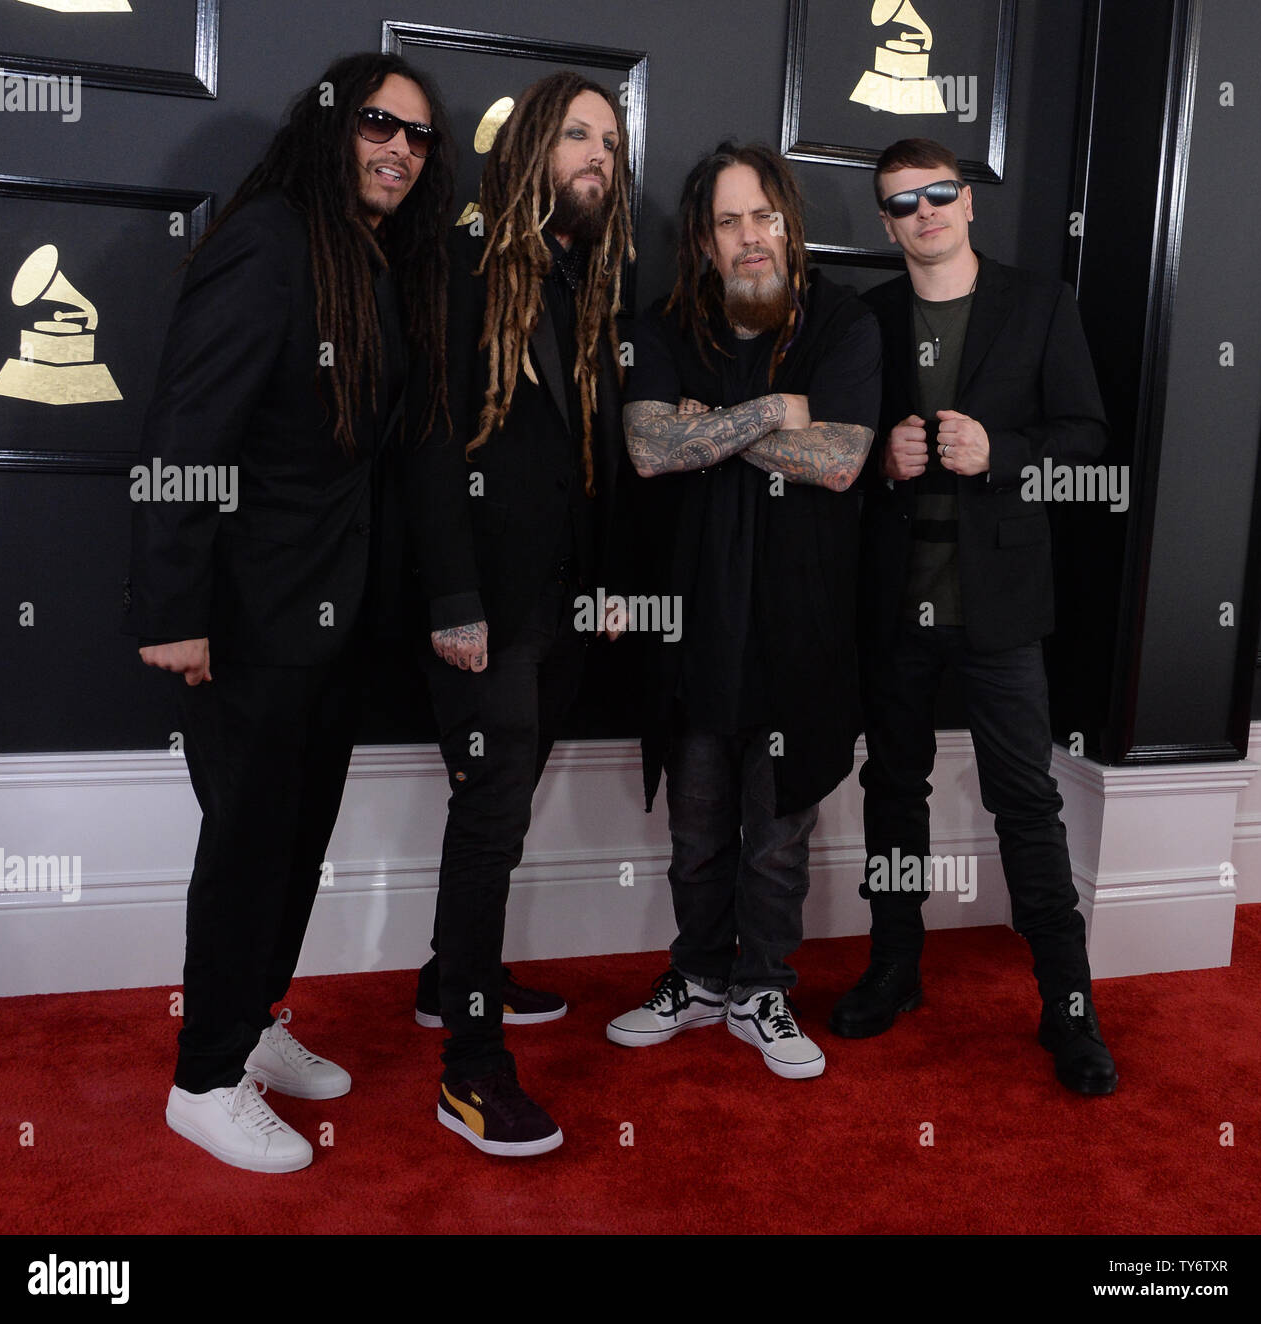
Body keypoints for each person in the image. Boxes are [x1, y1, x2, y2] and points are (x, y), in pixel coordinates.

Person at [124, 52, 454, 1170]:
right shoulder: (268, 238)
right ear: (330, 126)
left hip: (331, 618)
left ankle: (256, 1022)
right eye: (378, 124)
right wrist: (175, 610)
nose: (400, 149)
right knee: (250, 848)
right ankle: (203, 1077)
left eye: (419, 137)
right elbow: (185, 431)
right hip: (246, 617)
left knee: (296, 843)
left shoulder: (365, 259)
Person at [831, 136, 1118, 1096]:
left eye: (940, 193)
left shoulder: (1037, 303)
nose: (926, 212)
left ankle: (1067, 1006)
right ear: (885, 221)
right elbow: (837, 459)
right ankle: (895, 967)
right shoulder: (867, 319)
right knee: (893, 794)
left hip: (1001, 605)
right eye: (904, 202)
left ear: (968, 201)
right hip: (895, 602)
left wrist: (998, 452)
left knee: (1026, 804)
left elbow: (1085, 446)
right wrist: (883, 464)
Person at [606, 142, 880, 1079]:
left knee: (776, 842)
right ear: (705, 240)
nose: (750, 236)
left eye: (764, 215)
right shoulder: (666, 324)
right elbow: (647, 451)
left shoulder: (843, 322)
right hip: (690, 633)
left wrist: (708, 429)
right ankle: (697, 977)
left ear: (789, 223)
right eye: (729, 221)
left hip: (799, 635)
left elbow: (842, 461)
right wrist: (776, 413)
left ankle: (763, 989)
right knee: (693, 834)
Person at [407, 71, 634, 1155]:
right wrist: (453, 598)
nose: (599, 156)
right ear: (533, 145)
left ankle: (448, 978)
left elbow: (579, 465)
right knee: (490, 820)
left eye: (611, 142)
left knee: (501, 808)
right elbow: (431, 444)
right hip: (482, 608)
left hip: (555, 608)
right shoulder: (463, 264)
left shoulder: (584, 278)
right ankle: (470, 1068)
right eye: (580, 135)